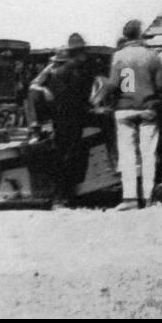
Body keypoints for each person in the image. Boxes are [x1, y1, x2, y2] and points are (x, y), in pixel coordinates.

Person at [30, 34, 95, 209]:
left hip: (64, 117)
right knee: (66, 155)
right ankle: (62, 196)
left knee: (66, 155)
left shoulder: (70, 69)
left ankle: (63, 195)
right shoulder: (71, 69)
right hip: (68, 117)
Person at [107, 19, 162, 211]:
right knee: (149, 154)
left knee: (127, 155)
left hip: (125, 110)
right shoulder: (152, 56)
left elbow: (116, 85)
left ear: (126, 35)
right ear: (140, 34)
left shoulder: (119, 57)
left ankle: (130, 199)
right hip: (148, 109)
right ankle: (149, 197)